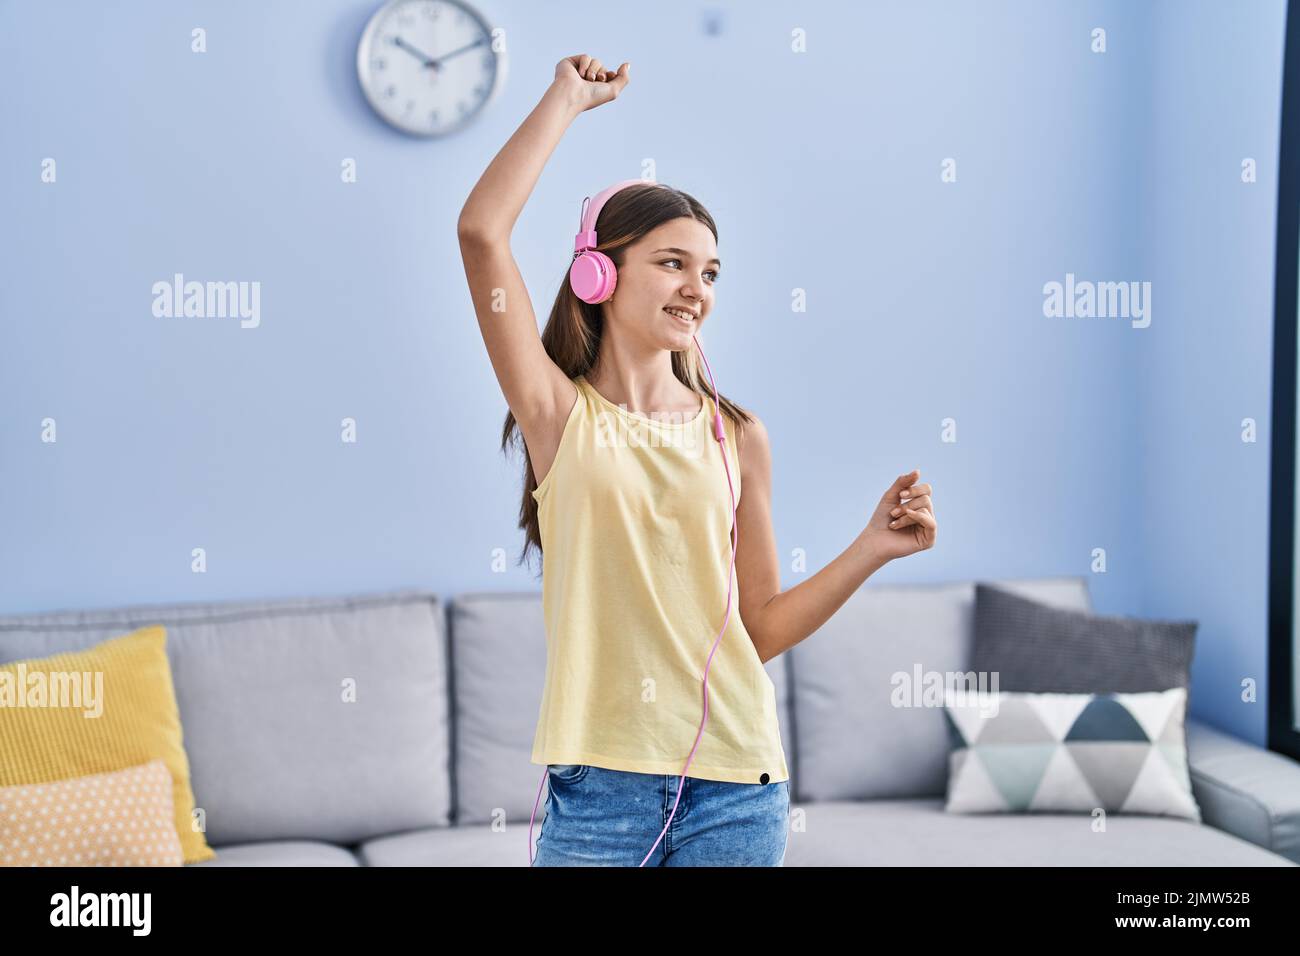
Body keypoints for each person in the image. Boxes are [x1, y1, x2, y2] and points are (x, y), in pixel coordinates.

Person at [457, 53, 938, 867]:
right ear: (596, 273)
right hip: (600, 791)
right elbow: (480, 233)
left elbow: (760, 626)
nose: (698, 288)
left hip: (737, 787)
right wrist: (566, 101)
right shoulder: (559, 416)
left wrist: (871, 548)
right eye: (673, 263)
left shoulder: (737, 435)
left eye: (710, 271)